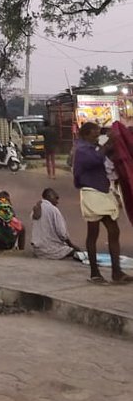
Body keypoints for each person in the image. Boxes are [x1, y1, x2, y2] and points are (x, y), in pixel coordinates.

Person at [73, 121, 130, 284]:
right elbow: (97, 159)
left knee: (114, 231)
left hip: (102, 192)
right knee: (94, 233)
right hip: (91, 192)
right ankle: (95, 273)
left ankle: (116, 272)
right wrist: (110, 142)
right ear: (86, 134)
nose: (98, 134)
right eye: (95, 132)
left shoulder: (92, 146)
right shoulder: (82, 149)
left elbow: (107, 154)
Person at [31, 188, 79, 259]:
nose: (57, 201)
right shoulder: (54, 210)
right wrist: (71, 245)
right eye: (56, 198)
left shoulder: (35, 209)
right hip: (52, 250)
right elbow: (62, 233)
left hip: (38, 251)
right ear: (49, 196)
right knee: (77, 253)